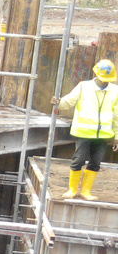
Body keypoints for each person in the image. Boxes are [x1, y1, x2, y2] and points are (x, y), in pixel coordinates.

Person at [53, 59, 118, 200]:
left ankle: (85, 191)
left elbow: (117, 116)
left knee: (95, 162)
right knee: (78, 159)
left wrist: (117, 136)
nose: (104, 82)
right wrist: (58, 103)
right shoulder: (84, 87)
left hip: (103, 135)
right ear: (96, 74)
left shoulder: (115, 91)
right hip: (83, 132)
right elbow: (69, 101)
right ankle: (72, 189)